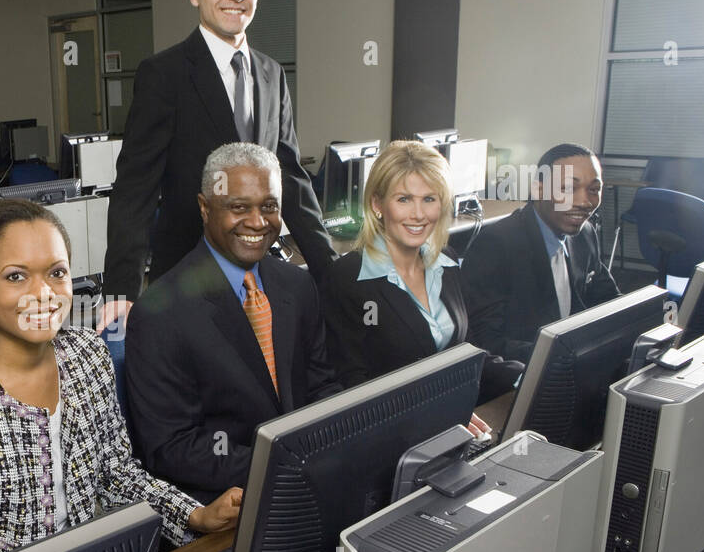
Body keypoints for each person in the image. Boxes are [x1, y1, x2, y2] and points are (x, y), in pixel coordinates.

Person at [0, 198, 242, 552]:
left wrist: (196, 515)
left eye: (56, 273)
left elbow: (117, 477)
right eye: (16, 276)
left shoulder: (87, 355)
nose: (43, 292)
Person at [98, 0, 334, 332]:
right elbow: (135, 188)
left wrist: (329, 270)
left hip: (261, 269)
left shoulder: (272, 74)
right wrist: (122, 289)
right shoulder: (164, 74)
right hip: (187, 277)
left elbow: (290, 176)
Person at [124, 143, 337, 502]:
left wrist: (336, 443)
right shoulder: (159, 314)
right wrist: (285, 464)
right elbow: (171, 445)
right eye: (238, 207)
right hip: (227, 503)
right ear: (205, 209)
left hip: (312, 481)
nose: (257, 222)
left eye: (269, 207)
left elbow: (321, 386)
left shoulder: (297, 285)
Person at [322, 140, 523, 402]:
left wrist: (521, 375)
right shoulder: (349, 278)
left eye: (429, 199)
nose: (418, 214)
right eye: (404, 199)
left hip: (451, 413)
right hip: (394, 430)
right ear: (377, 205)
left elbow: (464, 353)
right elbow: (354, 383)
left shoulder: (446, 261)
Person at [461, 143, 620, 364]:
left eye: (593, 190)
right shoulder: (497, 244)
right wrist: (564, 354)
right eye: (567, 188)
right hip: (523, 373)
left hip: (574, 365)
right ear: (538, 189)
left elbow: (608, 299)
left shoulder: (585, 234)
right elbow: (485, 341)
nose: (584, 202)